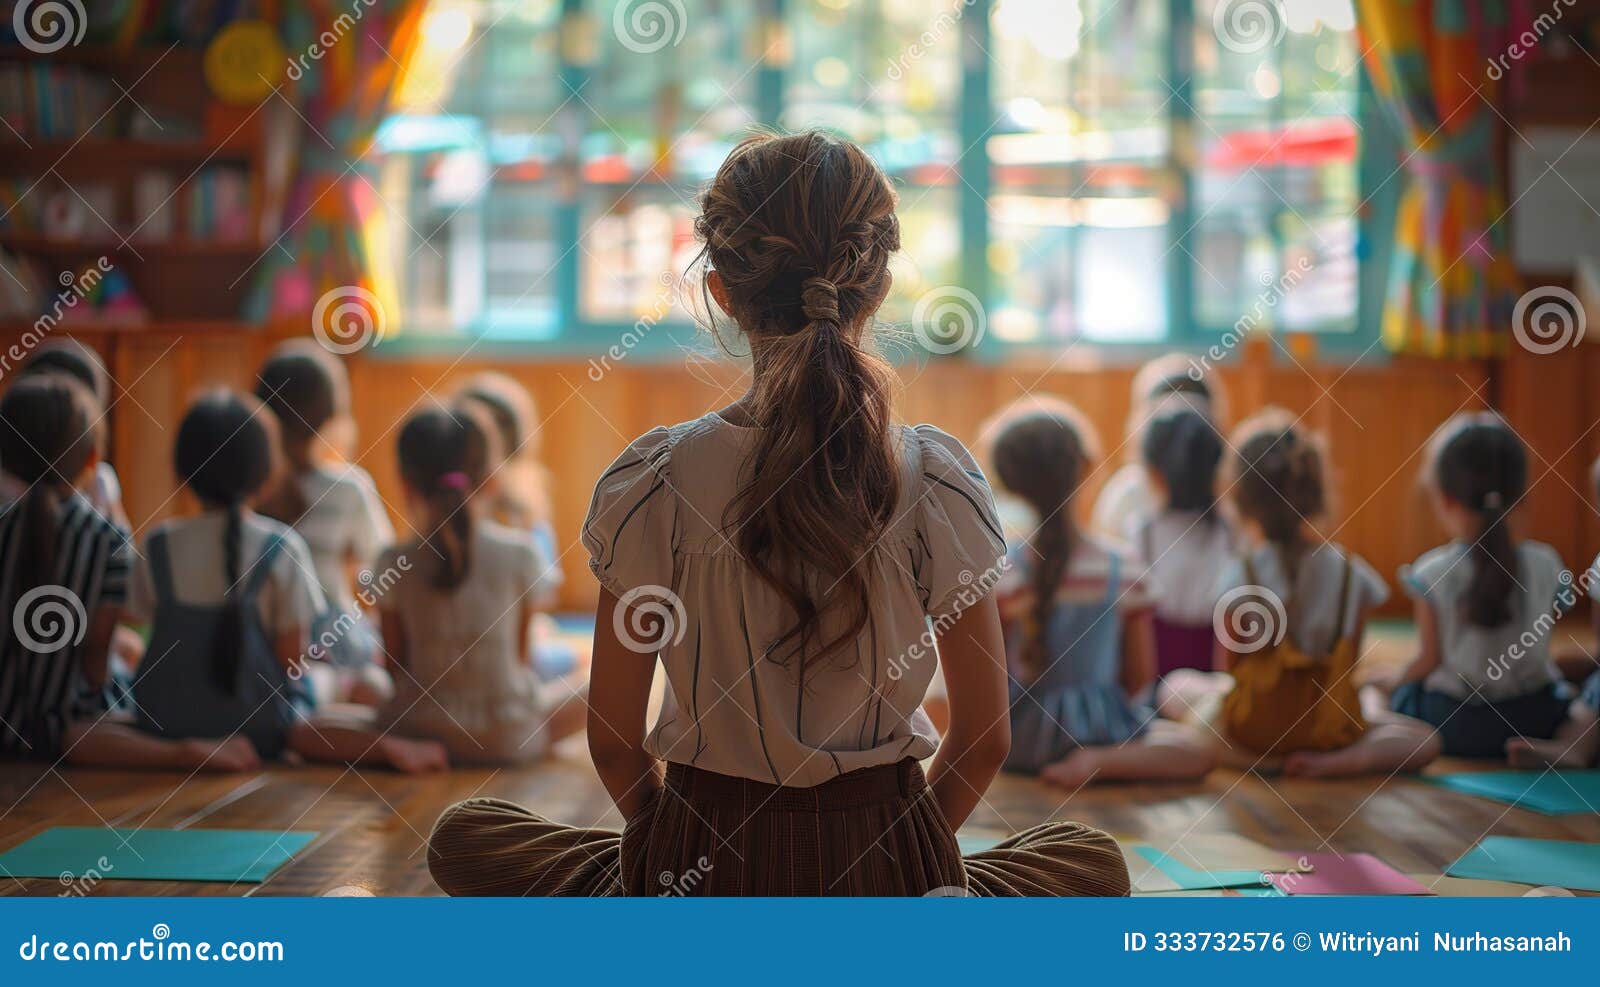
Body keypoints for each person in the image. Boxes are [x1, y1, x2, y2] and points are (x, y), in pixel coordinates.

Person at [427, 131, 1129, 897]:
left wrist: (667, 848)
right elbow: (985, 739)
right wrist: (914, 856)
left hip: (697, 861)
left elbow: (614, 744)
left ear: (722, 289)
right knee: (1089, 860)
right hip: (889, 865)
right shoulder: (936, 476)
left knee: (468, 839)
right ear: (878, 284)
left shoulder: (654, 478)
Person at [987, 398, 1215, 789]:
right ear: (1086, 469)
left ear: (1008, 481)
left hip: (1020, 739)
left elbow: (993, 678)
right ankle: (1097, 763)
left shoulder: (1002, 572)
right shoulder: (1121, 566)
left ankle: (1083, 762)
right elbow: (1139, 677)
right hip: (1102, 731)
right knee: (1197, 749)